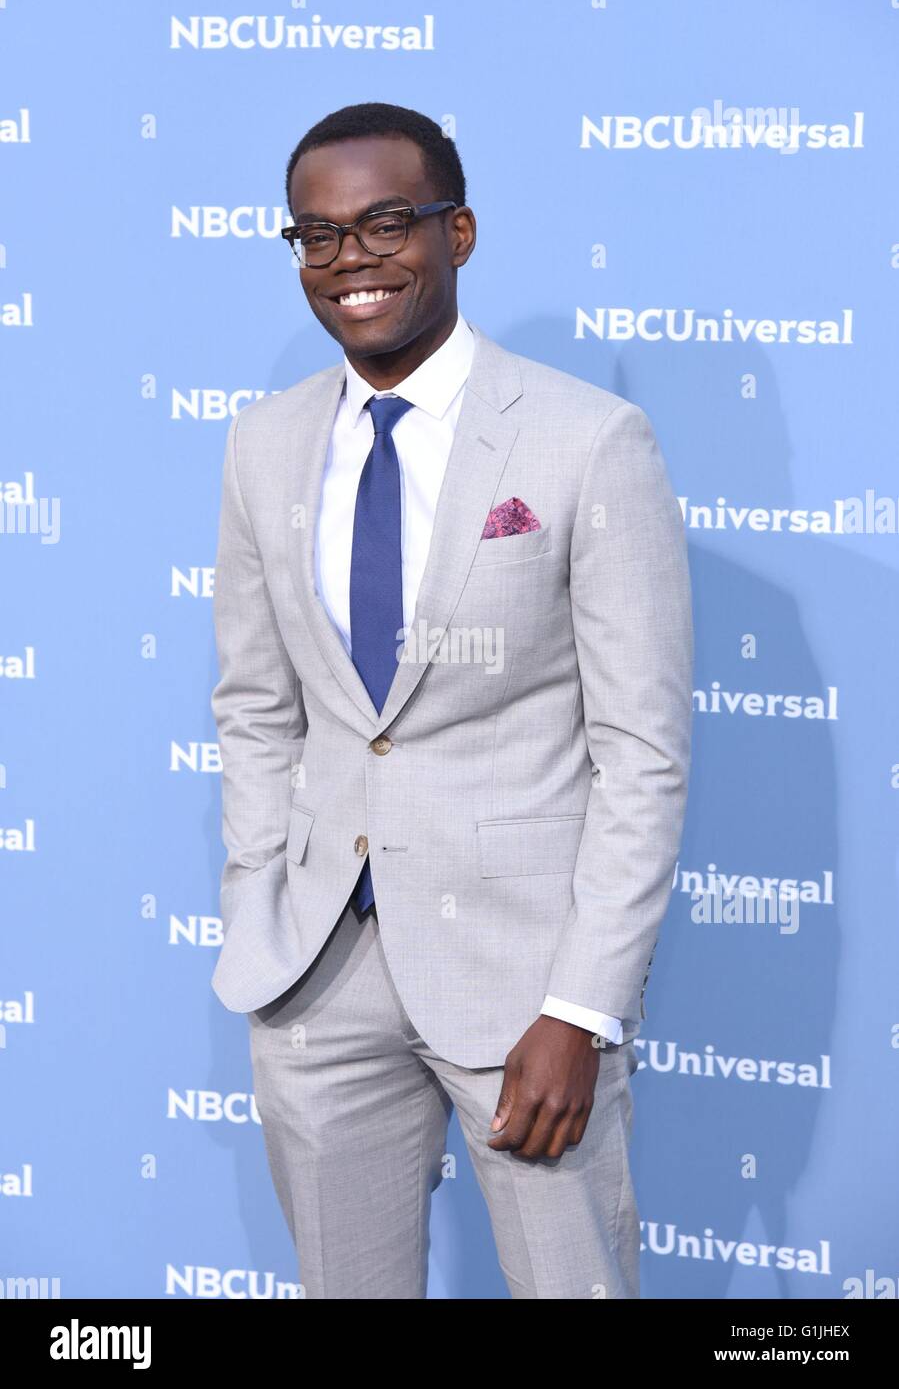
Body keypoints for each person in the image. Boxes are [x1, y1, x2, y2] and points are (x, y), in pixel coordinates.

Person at [210, 101, 693, 1299]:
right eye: (316, 237)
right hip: (316, 970)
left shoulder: (589, 441)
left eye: (385, 222)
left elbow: (640, 753)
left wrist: (580, 1007)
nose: (350, 261)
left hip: (524, 988)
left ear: (457, 231)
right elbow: (258, 707)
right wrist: (260, 901)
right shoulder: (262, 446)